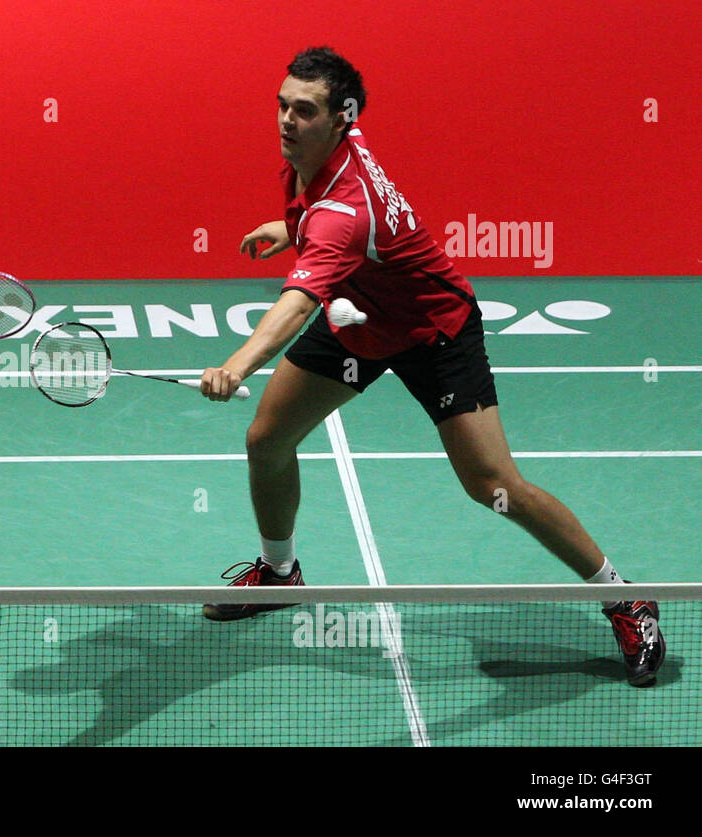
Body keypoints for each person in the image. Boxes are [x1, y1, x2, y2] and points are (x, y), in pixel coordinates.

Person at [198, 48, 664, 686]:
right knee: (267, 439)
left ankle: (624, 596)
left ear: (340, 120)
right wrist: (292, 227)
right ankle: (281, 574)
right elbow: (328, 226)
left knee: (494, 487)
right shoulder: (320, 161)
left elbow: (297, 301)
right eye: (282, 105)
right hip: (361, 316)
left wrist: (237, 364)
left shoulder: (343, 211)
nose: (286, 120)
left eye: (303, 111)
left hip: (435, 331)